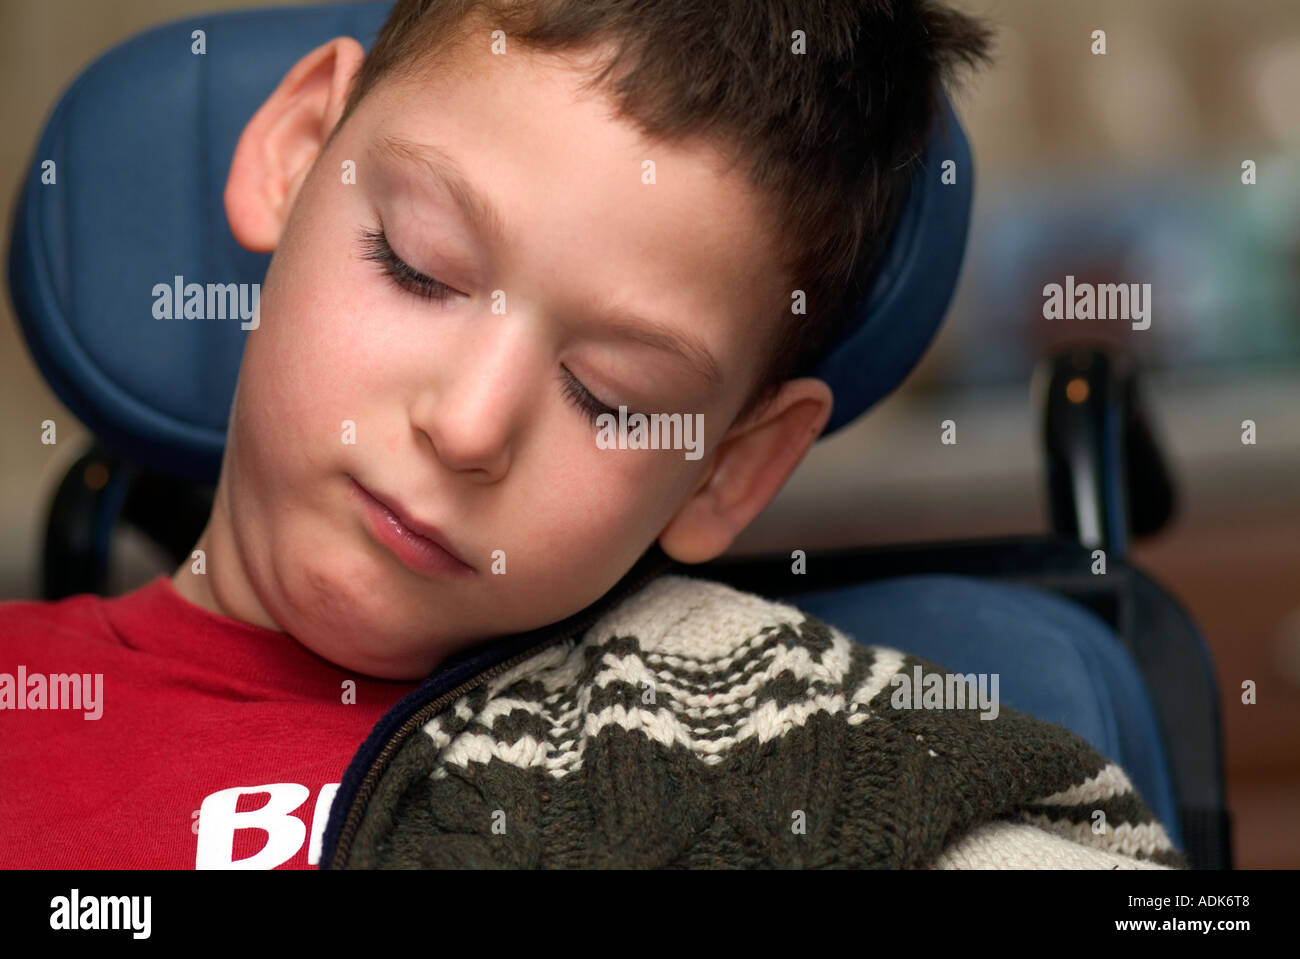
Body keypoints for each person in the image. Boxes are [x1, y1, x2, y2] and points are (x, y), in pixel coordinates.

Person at [0, 0, 1183, 869]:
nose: (467, 426)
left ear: (731, 466)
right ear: (299, 150)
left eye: (608, 395)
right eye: (416, 269)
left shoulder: (764, 754)